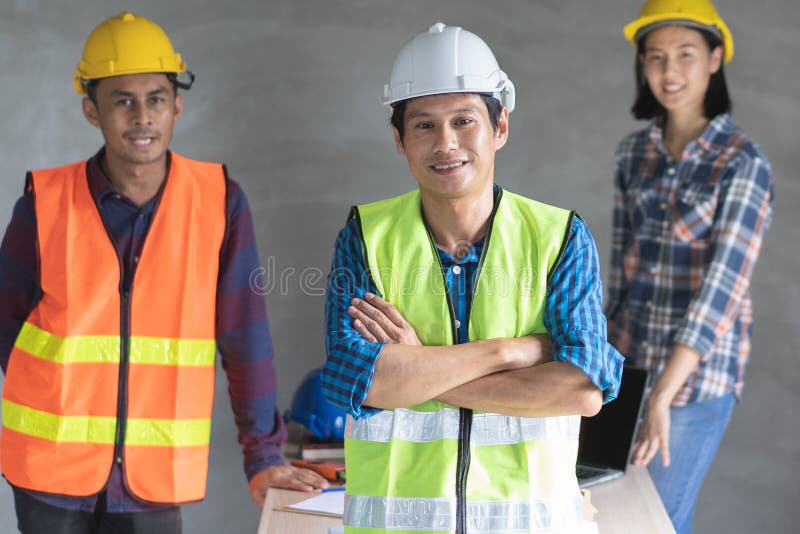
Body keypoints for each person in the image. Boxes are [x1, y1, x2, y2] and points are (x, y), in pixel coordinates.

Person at [0, 12, 327, 534]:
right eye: (121, 100)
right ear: (92, 110)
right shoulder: (43, 205)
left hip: (154, 481)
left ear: (177, 104)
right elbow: (8, 329)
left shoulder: (220, 203)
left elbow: (245, 339)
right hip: (50, 477)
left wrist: (264, 456)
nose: (141, 116)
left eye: (155, 97)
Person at [322, 22, 623, 534]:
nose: (446, 143)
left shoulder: (559, 238)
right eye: (423, 126)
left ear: (500, 127)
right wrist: (511, 352)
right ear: (399, 139)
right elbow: (364, 381)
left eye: (464, 121)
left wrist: (418, 368)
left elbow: (581, 390)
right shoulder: (366, 237)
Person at [606, 1, 774, 532]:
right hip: (628, 366)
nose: (669, 72)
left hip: (694, 379)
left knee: (657, 522)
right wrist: (602, 366)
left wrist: (663, 392)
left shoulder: (743, 163)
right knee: (607, 514)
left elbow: (722, 291)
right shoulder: (634, 154)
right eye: (655, 58)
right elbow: (620, 276)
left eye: (685, 55)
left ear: (715, 58)